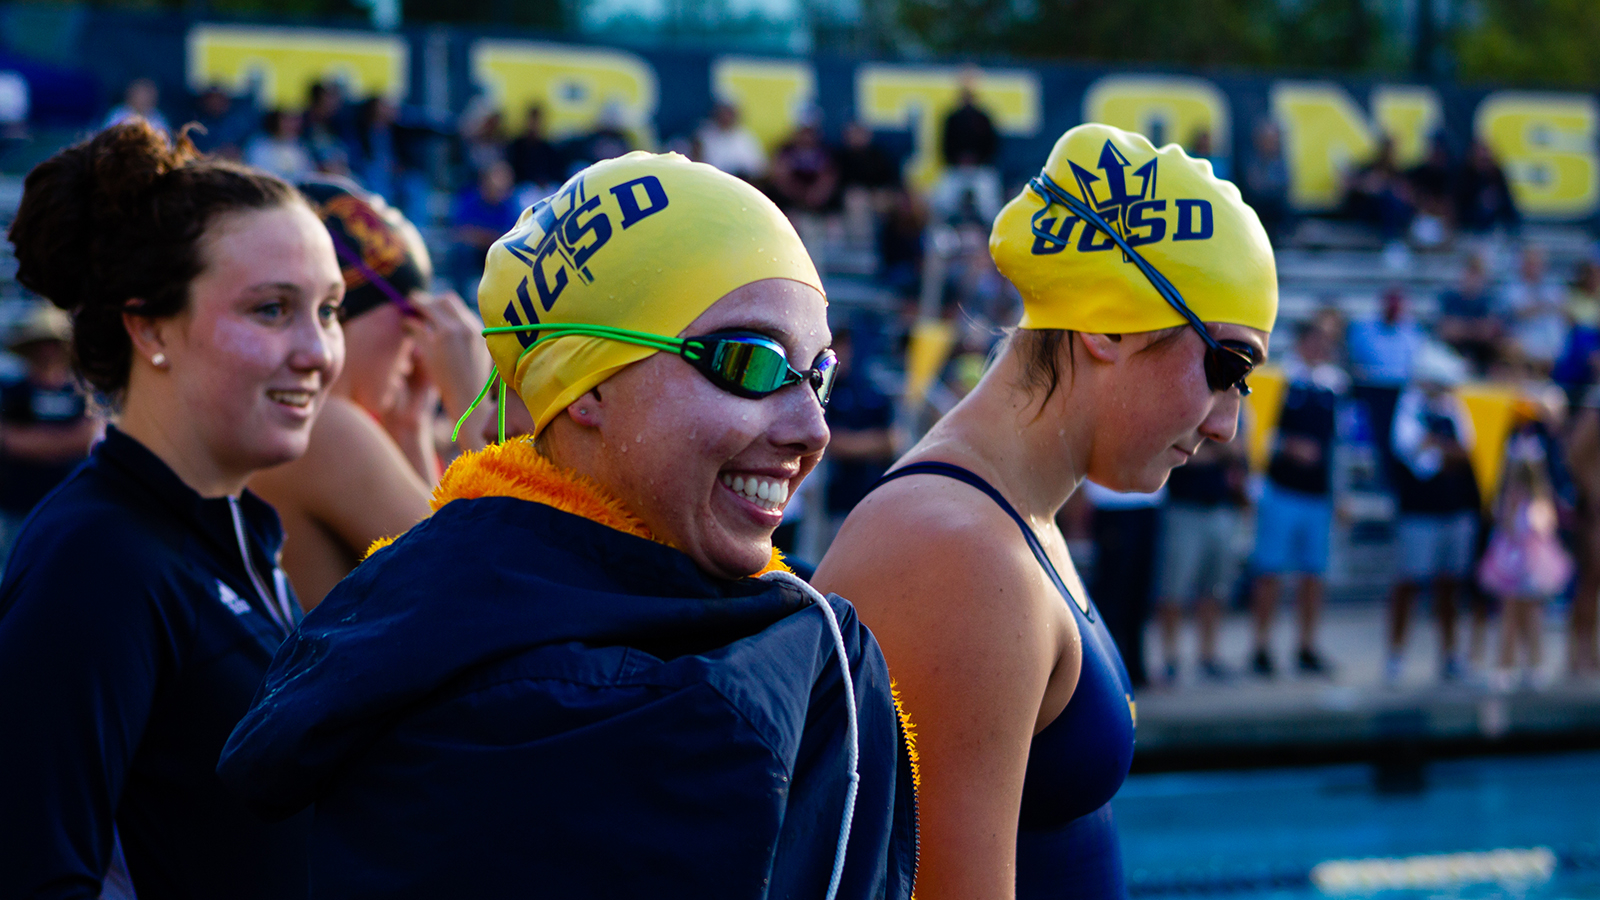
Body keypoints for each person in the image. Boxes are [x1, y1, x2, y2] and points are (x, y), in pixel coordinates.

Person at [217, 152, 916, 899]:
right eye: (751, 361)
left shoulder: (422, 598)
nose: (814, 427)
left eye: (820, 375)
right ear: (587, 384)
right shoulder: (704, 686)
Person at [813, 124, 1277, 900]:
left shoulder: (1011, 522)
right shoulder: (956, 555)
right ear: (1105, 324)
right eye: (1227, 367)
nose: (1228, 423)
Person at [0, 120, 344, 897]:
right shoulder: (98, 561)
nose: (318, 352)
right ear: (149, 327)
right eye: (270, 310)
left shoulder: (233, 532)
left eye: (328, 309)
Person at [248, 179, 492, 608]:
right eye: (411, 314)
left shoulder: (295, 421)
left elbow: (432, 537)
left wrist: (410, 426)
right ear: (346, 310)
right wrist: (475, 412)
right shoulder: (323, 427)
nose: (418, 347)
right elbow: (488, 592)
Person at [1249, 320, 1347, 677]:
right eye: (1317, 340)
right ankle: (1260, 647)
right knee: (1269, 572)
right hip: (1281, 490)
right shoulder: (1280, 379)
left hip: (1317, 496)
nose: (1322, 348)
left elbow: (1340, 445)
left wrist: (1342, 493)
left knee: (1313, 575)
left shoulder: (1334, 385)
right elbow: (1257, 431)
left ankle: (1306, 646)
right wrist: (1287, 446)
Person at [1385, 343, 1481, 683]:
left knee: (1449, 586)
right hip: (1419, 512)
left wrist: (1435, 448)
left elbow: (1465, 452)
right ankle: (1395, 657)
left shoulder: (1452, 407)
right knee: (1409, 583)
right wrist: (1442, 451)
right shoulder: (1410, 405)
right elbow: (1410, 451)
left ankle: (1450, 656)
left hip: (1454, 510)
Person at [0, 303, 98, 562]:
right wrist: (67, 441)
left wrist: (38, 442)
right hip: (20, 508)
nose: (47, 351)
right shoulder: (14, 391)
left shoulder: (82, 395)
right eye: (41, 343)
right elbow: (10, 441)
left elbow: (92, 436)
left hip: (72, 508)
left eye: (53, 343)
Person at [1156, 414, 1249, 683]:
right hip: (1184, 508)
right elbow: (1183, 456)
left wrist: (1215, 451)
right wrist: (1220, 451)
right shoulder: (1187, 407)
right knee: (1173, 590)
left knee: (1214, 589)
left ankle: (1208, 656)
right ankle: (1170, 658)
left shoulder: (1232, 410)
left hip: (1221, 509)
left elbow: (1239, 451)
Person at [1478, 435, 1574, 690]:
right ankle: (1504, 667)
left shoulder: (1541, 501)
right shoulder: (1508, 501)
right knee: (1510, 617)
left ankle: (1535, 665)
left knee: (1532, 617)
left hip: (1533, 569)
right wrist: (1512, 503)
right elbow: (1506, 527)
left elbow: (1543, 527)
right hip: (1511, 566)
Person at [933, 74, 1002, 224]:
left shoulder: (984, 117)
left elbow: (992, 145)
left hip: (980, 169)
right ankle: (944, 233)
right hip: (956, 169)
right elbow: (944, 145)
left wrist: (977, 160)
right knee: (942, 202)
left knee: (989, 205)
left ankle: (992, 234)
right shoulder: (952, 118)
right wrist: (959, 160)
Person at [1436, 250, 1501, 374]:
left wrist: (1462, 328)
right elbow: (1448, 331)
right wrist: (1475, 328)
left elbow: (1488, 332)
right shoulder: (1450, 297)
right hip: (1451, 354)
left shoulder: (1489, 299)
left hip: (1483, 355)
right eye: (1470, 272)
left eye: (1476, 273)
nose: (1472, 277)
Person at [697, 100, 767, 182]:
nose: (726, 117)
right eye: (723, 112)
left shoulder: (746, 137)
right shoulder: (704, 135)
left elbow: (760, 168)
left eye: (729, 113)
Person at [504, 103, 566, 190]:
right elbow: (514, 171)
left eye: (537, 120)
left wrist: (544, 180)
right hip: (524, 187)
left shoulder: (548, 147)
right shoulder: (517, 146)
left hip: (546, 187)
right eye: (532, 120)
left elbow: (556, 171)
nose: (534, 124)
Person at [245, 109, 314, 182]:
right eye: (287, 119)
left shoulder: (300, 146)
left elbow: (308, 177)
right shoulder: (259, 147)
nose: (293, 124)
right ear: (275, 119)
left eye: (296, 119)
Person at [104, 76, 170, 134]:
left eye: (148, 93)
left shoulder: (158, 118)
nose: (144, 98)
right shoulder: (117, 115)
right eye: (141, 93)